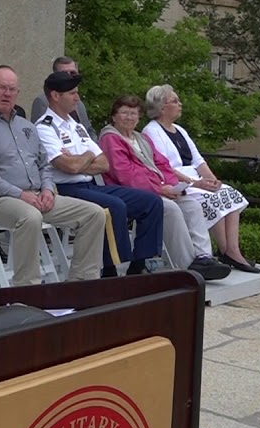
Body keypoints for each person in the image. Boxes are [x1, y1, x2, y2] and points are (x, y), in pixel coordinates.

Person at [0, 66, 107, 286]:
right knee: (30, 217)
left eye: (12, 89)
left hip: (39, 196)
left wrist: (48, 189)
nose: (7, 93)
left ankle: (81, 283)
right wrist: (21, 194)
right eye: (2, 87)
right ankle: (27, 289)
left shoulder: (27, 127)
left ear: (18, 93)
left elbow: (44, 165)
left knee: (94, 214)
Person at [35, 71, 165, 277]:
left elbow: (104, 164)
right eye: (72, 93)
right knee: (114, 206)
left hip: (89, 185)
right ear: (55, 96)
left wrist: (80, 159)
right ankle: (110, 271)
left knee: (151, 202)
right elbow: (68, 167)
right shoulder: (45, 128)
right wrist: (86, 157)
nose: (77, 98)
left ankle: (138, 265)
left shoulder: (76, 126)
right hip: (66, 189)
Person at [97, 95, 231, 280]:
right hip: (129, 192)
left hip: (156, 188)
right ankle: (188, 266)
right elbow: (126, 175)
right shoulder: (110, 138)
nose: (129, 117)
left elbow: (162, 164)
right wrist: (160, 189)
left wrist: (174, 186)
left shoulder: (141, 138)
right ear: (114, 116)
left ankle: (203, 257)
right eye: (124, 113)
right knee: (170, 209)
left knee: (191, 205)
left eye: (133, 113)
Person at [142, 84, 257, 273]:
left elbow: (197, 159)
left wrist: (212, 180)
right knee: (211, 198)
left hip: (196, 180)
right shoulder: (151, 131)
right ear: (162, 108)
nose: (180, 104)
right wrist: (196, 183)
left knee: (228, 193)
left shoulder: (180, 130)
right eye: (175, 101)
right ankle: (225, 252)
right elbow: (165, 167)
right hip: (177, 182)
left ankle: (231, 250)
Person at [30, 56, 94, 134]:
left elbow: (88, 129)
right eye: (64, 73)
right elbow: (36, 133)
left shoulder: (79, 103)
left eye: (73, 73)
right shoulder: (42, 101)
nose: (69, 76)